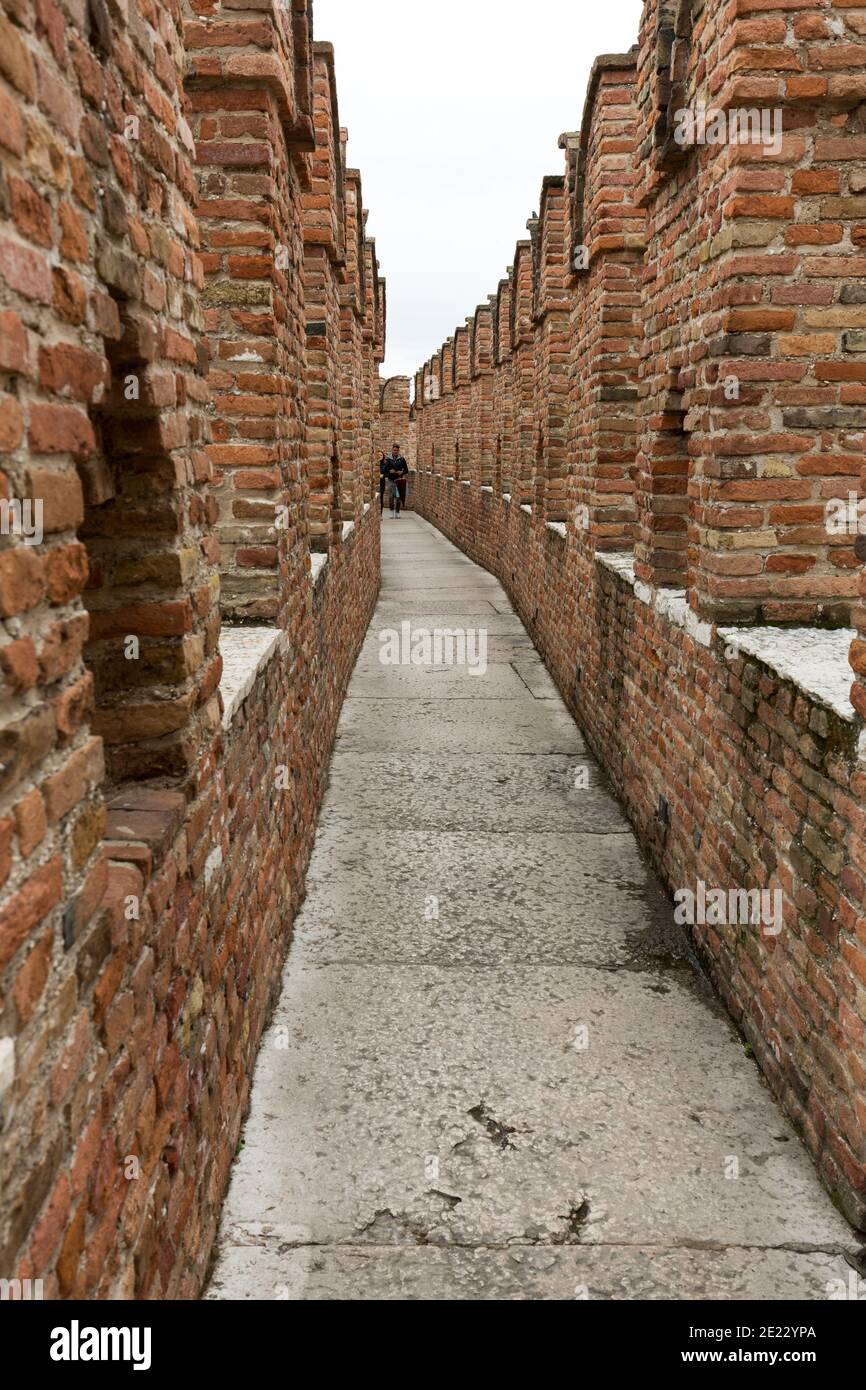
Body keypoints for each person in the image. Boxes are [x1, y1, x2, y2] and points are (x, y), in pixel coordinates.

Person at [386, 444, 409, 517]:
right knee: (391, 497)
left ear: (398, 451)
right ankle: (392, 511)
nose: (395, 451)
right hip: (391, 480)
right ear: (392, 450)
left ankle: (397, 512)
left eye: (397, 450)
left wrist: (402, 472)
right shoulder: (388, 459)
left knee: (398, 497)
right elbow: (385, 471)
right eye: (394, 450)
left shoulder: (402, 459)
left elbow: (406, 470)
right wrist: (390, 471)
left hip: (399, 480)